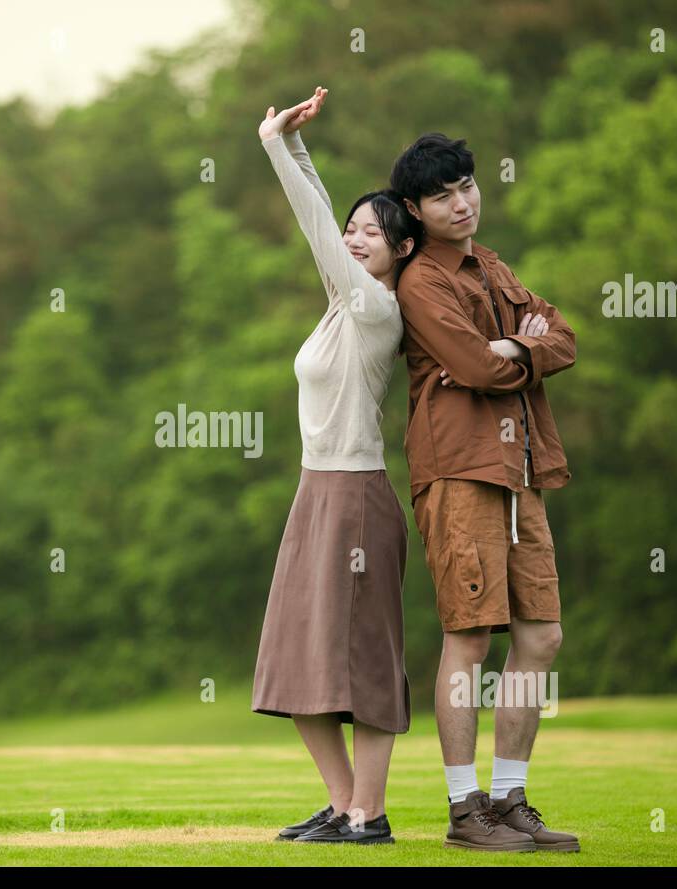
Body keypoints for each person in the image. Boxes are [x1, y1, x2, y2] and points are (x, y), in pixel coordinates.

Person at [390, 132, 581, 851]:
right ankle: (462, 809)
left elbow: (563, 338)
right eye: (442, 195)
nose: (462, 201)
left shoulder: (492, 266)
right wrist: (506, 350)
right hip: (458, 470)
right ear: (416, 208)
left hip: (522, 468)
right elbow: (472, 365)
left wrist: (517, 348)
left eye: (467, 185)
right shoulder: (423, 282)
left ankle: (508, 799)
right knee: (468, 638)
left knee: (541, 634)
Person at [251, 87, 421, 845]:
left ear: (401, 252)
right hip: (313, 491)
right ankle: (345, 801)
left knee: (364, 663)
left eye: (372, 235)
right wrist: (293, 143)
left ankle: (371, 814)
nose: (354, 241)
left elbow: (316, 227)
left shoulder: (378, 311)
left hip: (356, 494)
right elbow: (325, 219)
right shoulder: (338, 302)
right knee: (298, 660)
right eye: (351, 230)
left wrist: (270, 146)